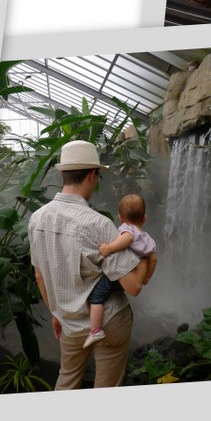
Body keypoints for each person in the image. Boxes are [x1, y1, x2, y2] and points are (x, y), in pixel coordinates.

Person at [28, 140, 151, 389]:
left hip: (69, 322)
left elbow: (39, 276)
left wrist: (56, 313)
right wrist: (149, 253)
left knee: (67, 380)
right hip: (110, 320)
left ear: (64, 174)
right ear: (93, 175)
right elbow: (134, 286)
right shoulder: (98, 224)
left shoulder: (36, 219)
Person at [85, 194, 158, 348]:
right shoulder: (148, 239)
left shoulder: (127, 230)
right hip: (134, 275)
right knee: (110, 292)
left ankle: (95, 330)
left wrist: (108, 248)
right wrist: (147, 277)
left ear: (120, 218)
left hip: (121, 273)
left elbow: (127, 239)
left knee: (96, 297)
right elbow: (153, 259)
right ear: (144, 218)